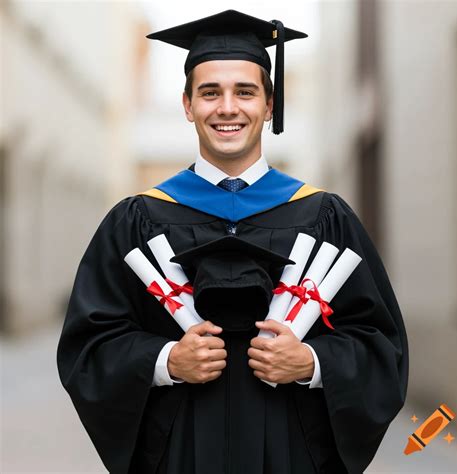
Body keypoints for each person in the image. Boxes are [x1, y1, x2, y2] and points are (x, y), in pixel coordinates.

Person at [57, 9, 408, 474]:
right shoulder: (136, 220)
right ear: (187, 105)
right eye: (209, 93)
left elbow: (381, 345)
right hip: (180, 454)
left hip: (291, 454)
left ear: (268, 104)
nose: (227, 107)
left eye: (245, 91)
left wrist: (311, 361)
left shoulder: (324, 217)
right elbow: (88, 347)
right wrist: (165, 360)